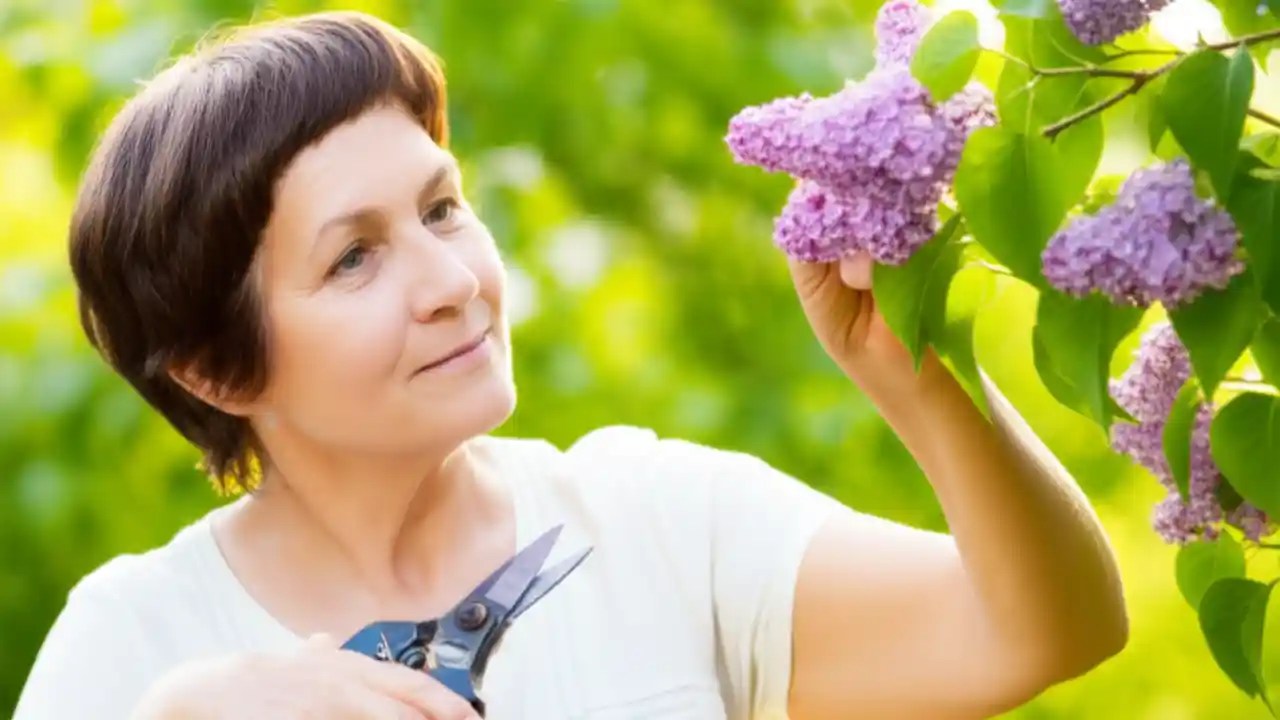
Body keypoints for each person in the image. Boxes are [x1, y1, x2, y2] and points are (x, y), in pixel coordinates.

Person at [13, 10, 1128, 720]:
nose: (450, 278)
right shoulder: (136, 643)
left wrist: (915, 376)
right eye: (353, 258)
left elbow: (1048, 632)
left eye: (442, 208)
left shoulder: (656, 521)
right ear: (218, 370)